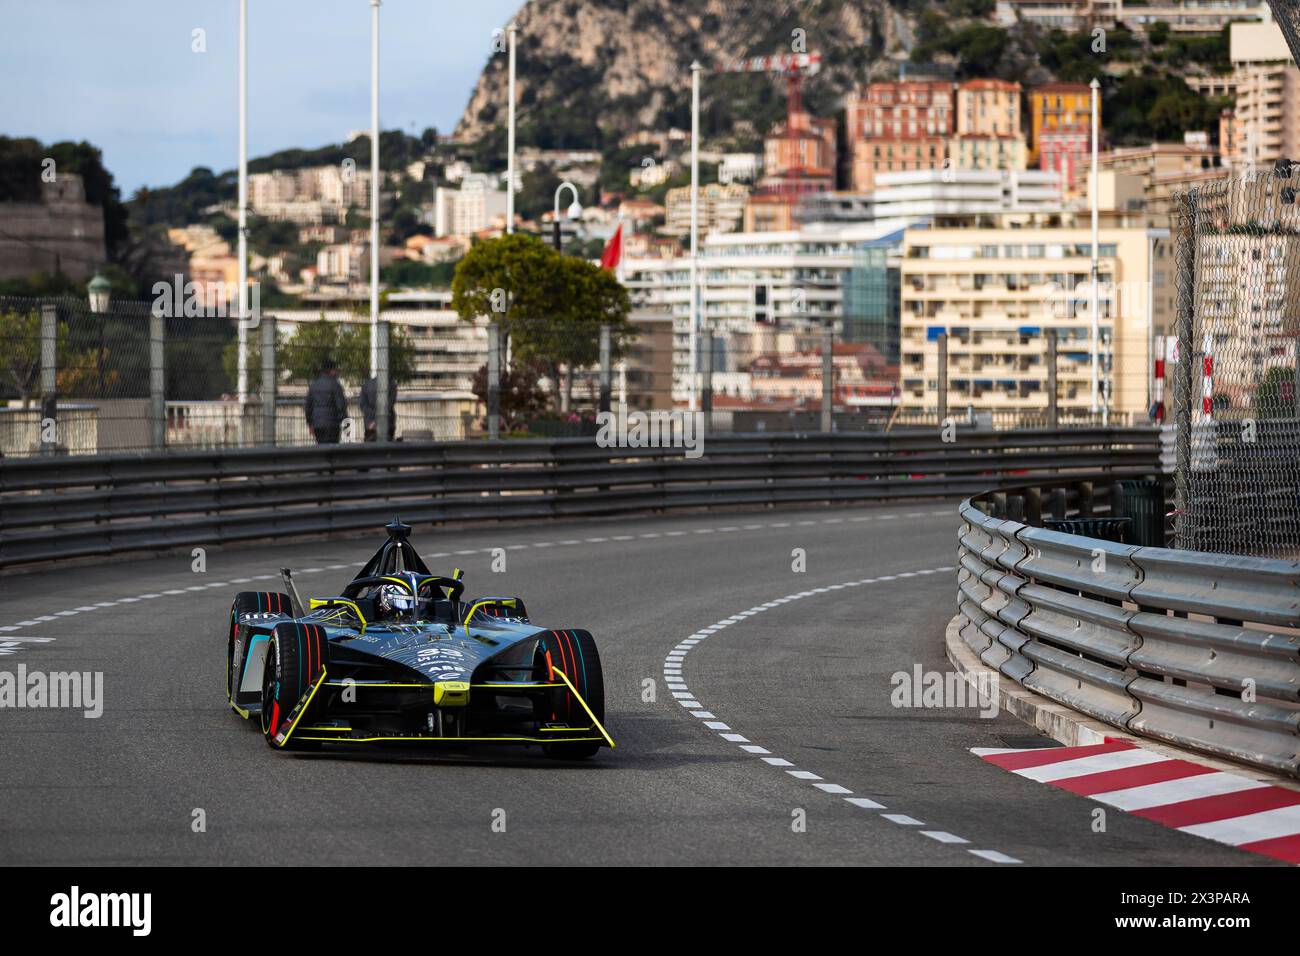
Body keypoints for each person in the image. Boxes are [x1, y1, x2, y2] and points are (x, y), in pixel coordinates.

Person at [305, 358, 347, 444]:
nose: (337, 372)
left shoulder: (313, 385)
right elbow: (341, 406)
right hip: (332, 424)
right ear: (331, 370)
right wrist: (344, 421)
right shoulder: (335, 385)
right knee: (332, 449)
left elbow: (308, 407)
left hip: (317, 424)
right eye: (336, 370)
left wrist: (310, 424)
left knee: (321, 447)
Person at [360, 374, 398, 442]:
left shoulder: (366, 384)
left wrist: (372, 420)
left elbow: (362, 405)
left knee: (370, 446)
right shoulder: (391, 384)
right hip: (387, 422)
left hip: (369, 423)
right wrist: (377, 420)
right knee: (387, 447)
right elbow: (390, 404)